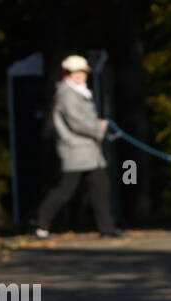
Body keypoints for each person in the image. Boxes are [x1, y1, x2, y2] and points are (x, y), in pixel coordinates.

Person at [33, 54, 122, 238]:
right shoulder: (67, 93)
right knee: (65, 190)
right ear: (67, 73)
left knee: (100, 187)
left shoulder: (79, 92)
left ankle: (106, 228)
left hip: (89, 151)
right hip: (75, 150)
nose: (80, 75)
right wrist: (98, 128)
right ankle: (40, 223)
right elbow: (76, 122)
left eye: (82, 71)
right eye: (75, 72)